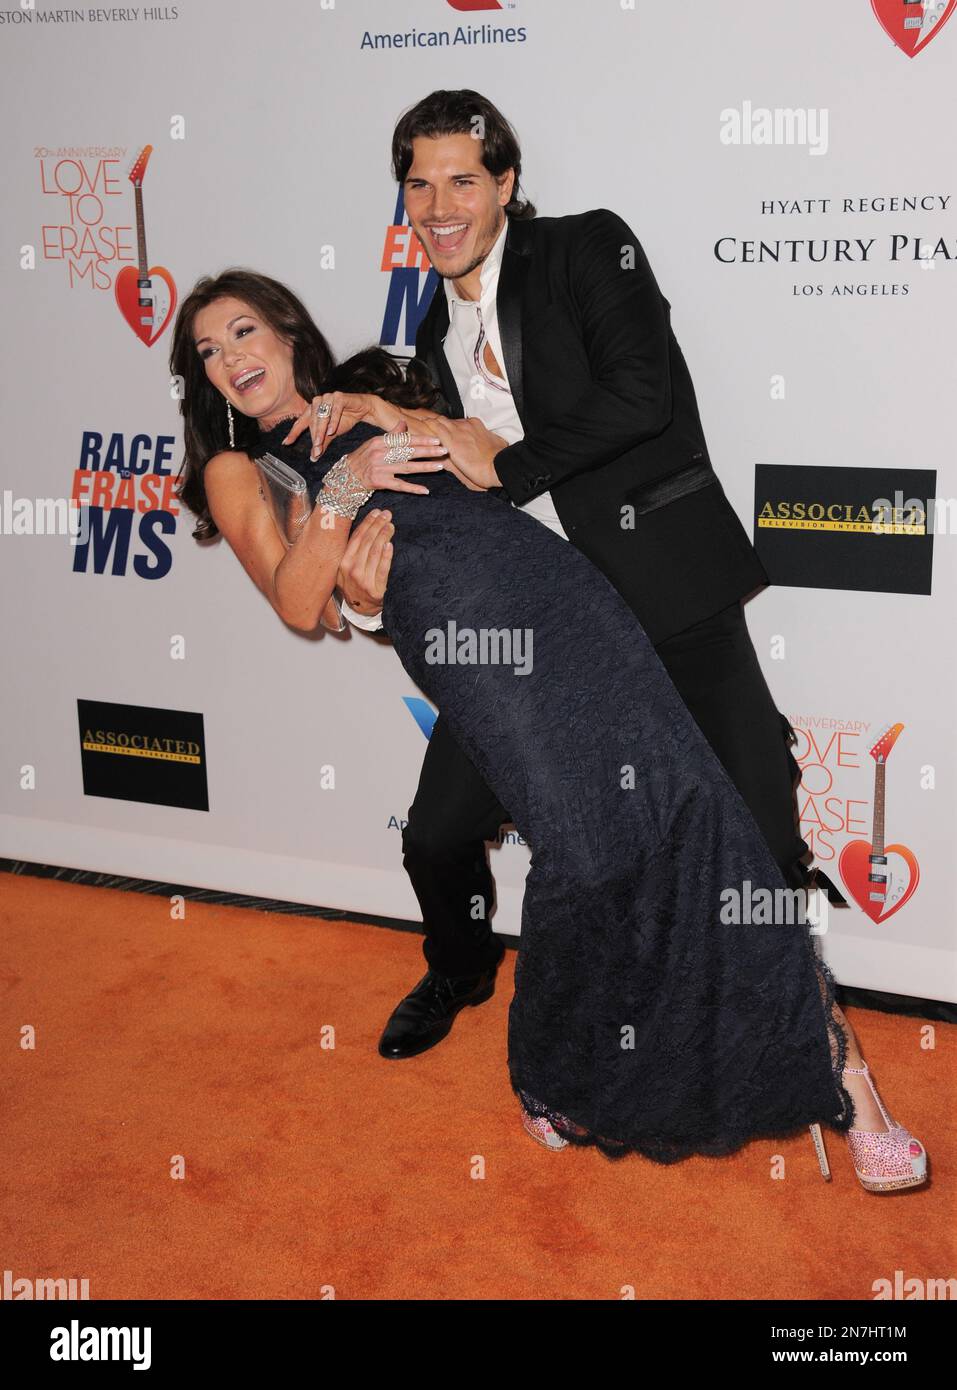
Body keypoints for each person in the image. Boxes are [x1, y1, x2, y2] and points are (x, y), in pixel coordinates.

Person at [169, 268, 927, 1190]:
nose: (230, 359)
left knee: (697, 804)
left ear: (287, 334)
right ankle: (562, 1071)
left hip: (557, 592)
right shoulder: (239, 467)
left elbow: (489, 460)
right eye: (208, 351)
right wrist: (344, 507)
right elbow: (297, 598)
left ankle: (844, 1077)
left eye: (243, 332)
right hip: (463, 636)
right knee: (585, 849)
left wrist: (387, 416)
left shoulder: (374, 382)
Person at [307, 91, 847, 1077]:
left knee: (762, 829)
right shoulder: (427, 332)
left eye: (462, 179)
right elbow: (420, 497)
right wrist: (365, 577)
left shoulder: (588, 250)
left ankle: (801, 1030)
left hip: (660, 587)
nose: (437, 204)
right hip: (532, 632)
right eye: (418, 183)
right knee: (436, 834)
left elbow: (641, 394)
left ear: (506, 184)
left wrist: (502, 460)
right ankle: (463, 966)